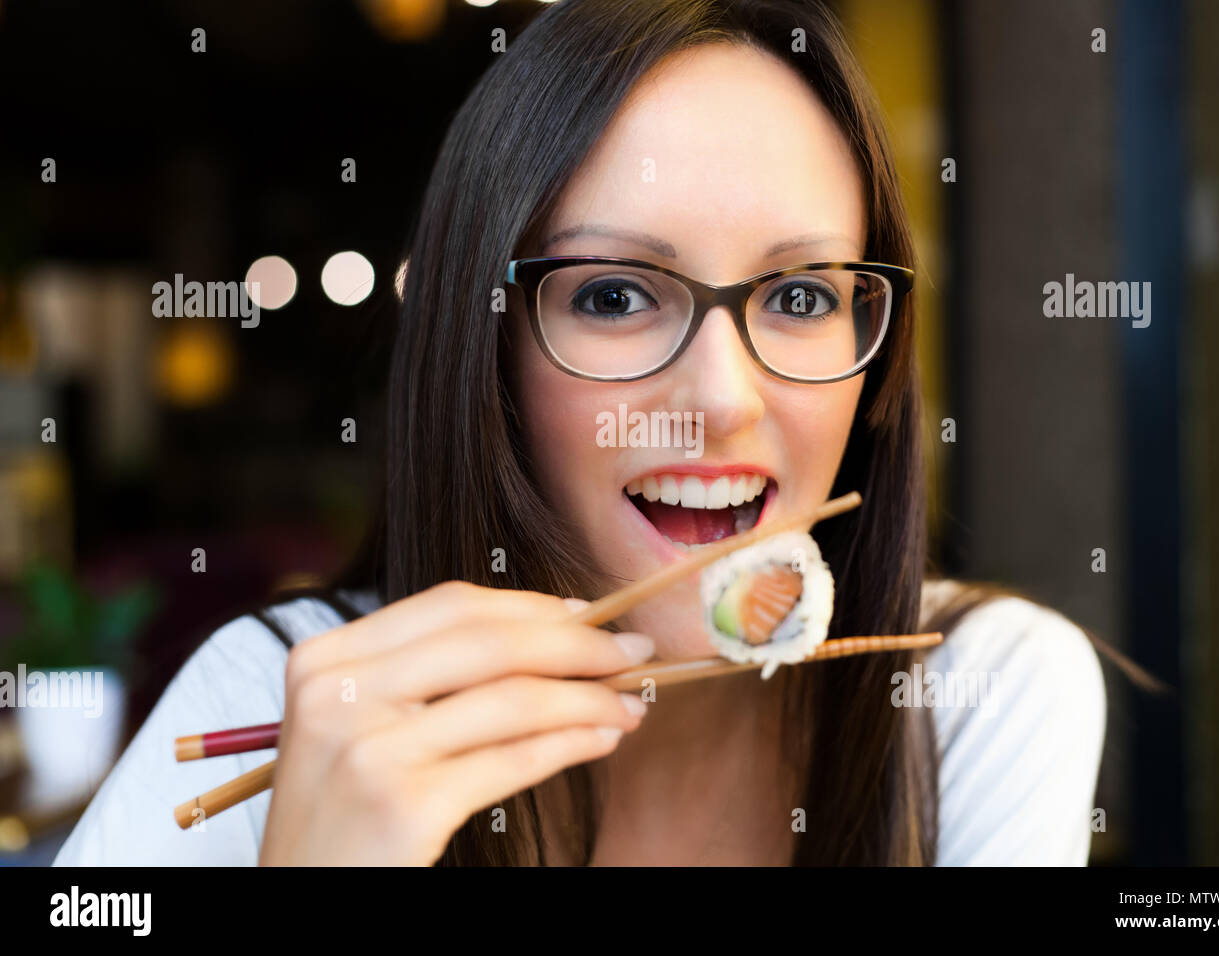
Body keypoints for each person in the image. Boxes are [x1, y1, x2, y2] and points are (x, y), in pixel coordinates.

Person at [55, 0, 1107, 867]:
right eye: (611, 296)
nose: (725, 399)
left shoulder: (973, 692)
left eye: (797, 295)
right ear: (484, 348)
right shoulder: (288, 697)